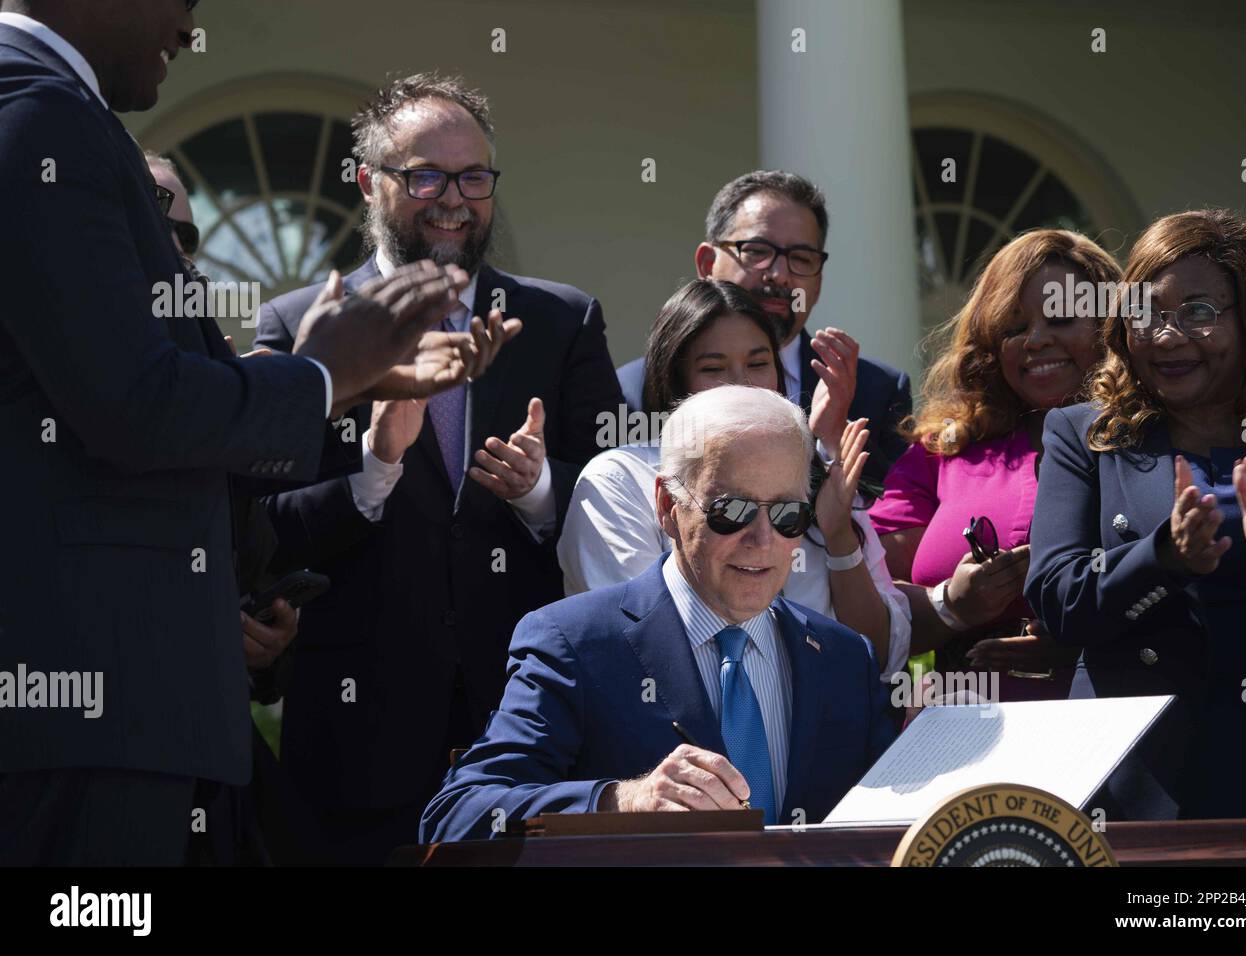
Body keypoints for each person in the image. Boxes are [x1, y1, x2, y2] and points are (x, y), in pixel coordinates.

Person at [0, 0, 487, 866]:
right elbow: (134, 406)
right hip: (93, 717)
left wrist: (338, 387)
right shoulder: (40, 113)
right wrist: (320, 373)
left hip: (136, 720)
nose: (192, 28)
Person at [254, 71, 624, 864]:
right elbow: (261, 528)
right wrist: (375, 468)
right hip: (358, 740)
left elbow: (617, 507)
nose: (453, 198)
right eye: (424, 175)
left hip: (529, 729)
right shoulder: (301, 327)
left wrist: (542, 493)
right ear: (368, 182)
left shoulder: (560, 320)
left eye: (473, 177)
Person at [421, 386, 897, 842]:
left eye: (788, 513)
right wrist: (623, 801)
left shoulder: (844, 660)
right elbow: (458, 815)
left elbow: (891, 828)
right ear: (668, 505)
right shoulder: (575, 643)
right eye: (731, 510)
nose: (763, 539)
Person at [1027, 210, 1246, 819]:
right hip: (1140, 781)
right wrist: (1163, 557)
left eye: (1199, 312)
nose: (1167, 337)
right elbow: (1056, 599)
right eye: (1147, 313)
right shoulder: (1085, 435)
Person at [559, 278, 911, 679]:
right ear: (673, 381)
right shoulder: (620, 480)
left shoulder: (818, 468)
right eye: (713, 368)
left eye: (758, 364)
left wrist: (838, 534)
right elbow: (637, 645)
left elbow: (880, 658)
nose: (742, 383)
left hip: (821, 733)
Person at [870, 229, 1121, 700]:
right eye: (1013, 327)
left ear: (1110, 325)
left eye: (1062, 318)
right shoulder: (941, 451)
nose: (1035, 340)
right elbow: (866, 601)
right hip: (961, 737)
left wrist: (1083, 640)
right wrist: (953, 606)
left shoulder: (1145, 445)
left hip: (1107, 729)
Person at [617, 170, 911, 486]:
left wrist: (834, 442)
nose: (780, 275)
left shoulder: (875, 392)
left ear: (819, 280)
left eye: (801, 258)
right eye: (757, 252)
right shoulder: (632, 391)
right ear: (707, 264)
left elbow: (897, 522)